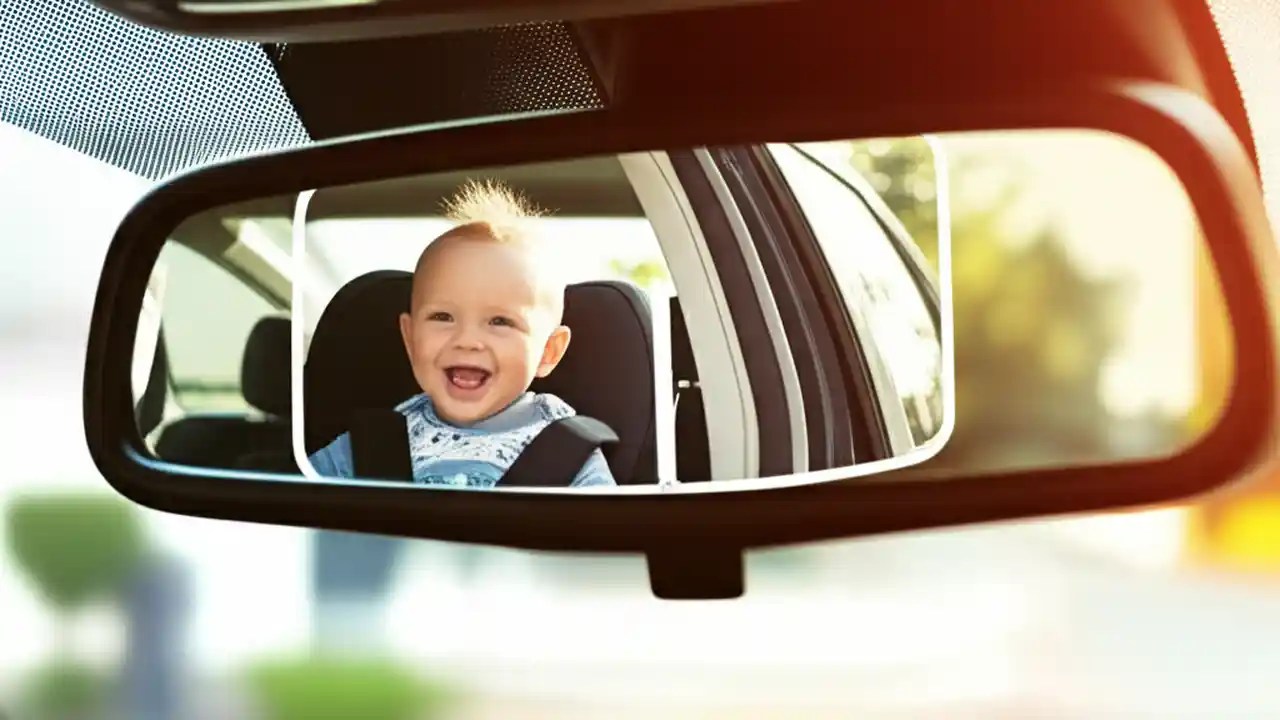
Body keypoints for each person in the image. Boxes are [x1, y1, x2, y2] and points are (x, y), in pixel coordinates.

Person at [307, 179, 616, 488]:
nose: (467, 340)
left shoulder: (566, 452)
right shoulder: (367, 447)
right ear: (410, 339)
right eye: (443, 317)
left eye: (500, 321)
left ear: (548, 351)